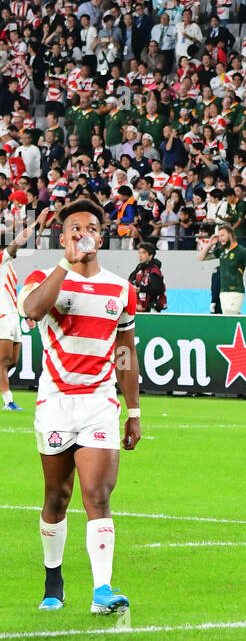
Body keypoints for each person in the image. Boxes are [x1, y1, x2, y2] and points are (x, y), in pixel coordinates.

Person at [17, 199, 141, 614]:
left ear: (101, 237)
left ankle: (102, 590)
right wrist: (66, 265)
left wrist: (135, 411)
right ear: (63, 237)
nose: (82, 233)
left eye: (89, 227)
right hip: (55, 404)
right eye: (73, 228)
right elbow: (33, 311)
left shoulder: (121, 289)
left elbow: (125, 351)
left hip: (99, 404)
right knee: (57, 496)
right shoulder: (44, 278)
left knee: (97, 494)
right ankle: (54, 578)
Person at [0, 213, 41, 410]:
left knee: (13, 361)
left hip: (13, 316)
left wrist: (25, 315)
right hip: (2, 317)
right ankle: (8, 402)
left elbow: (12, 295)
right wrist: (35, 223)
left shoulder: (10, 267)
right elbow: (16, 243)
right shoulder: (1, 259)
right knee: (3, 361)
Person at [197, 222, 246, 316]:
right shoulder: (221, 251)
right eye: (219, 236)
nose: (220, 238)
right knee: (231, 320)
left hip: (236, 292)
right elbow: (201, 258)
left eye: (222, 235)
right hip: (223, 293)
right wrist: (210, 243)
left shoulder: (242, 252)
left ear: (230, 234)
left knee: (230, 318)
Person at [128, 242, 167, 313]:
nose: (140, 255)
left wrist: (140, 289)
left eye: (143, 253)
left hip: (151, 308)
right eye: (139, 253)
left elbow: (156, 289)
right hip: (139, 306)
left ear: (150, 255)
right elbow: (130, 279)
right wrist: (134, 286)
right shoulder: (140, 267)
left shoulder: (154, 270)